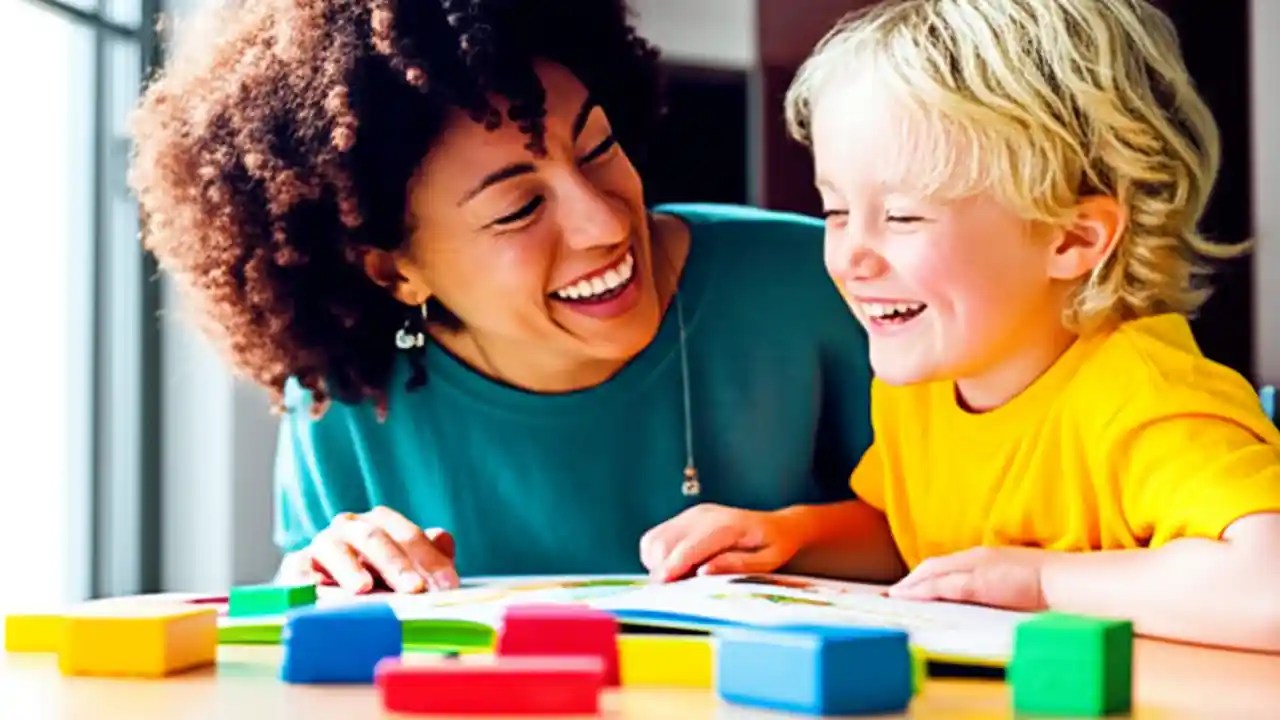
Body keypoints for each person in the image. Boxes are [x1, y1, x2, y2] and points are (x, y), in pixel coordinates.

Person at [126, 0, 876, 593]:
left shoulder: (815, 277)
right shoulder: (343, 395)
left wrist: (797, 538)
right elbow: (314, 640)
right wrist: (318, 578)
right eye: (518, 210)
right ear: (394, 273)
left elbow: (956, 533)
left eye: (599, 149)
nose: (605, 220)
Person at [646, 0, 1280, 652]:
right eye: (836, 212)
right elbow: (920, 539)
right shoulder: (923, 383)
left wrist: (1041, 582)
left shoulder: (1146, 399)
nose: (851, 256)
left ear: (1071, 238)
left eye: (903, 217)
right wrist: (791, 536)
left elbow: (1269, 591)